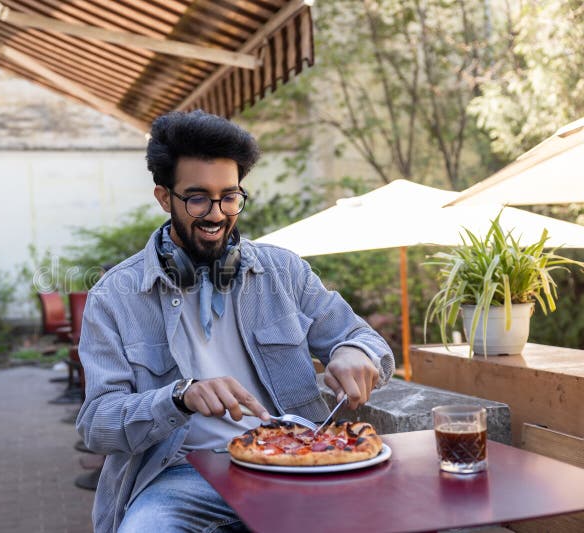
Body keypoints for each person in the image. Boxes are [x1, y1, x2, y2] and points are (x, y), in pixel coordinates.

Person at [76, 110, 394, 533]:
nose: (216, 214)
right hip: (179, 475)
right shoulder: (114, 296)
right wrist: (178, 398)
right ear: (163, 197)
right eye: (197, 198)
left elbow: (364, 340)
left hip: (294, 458)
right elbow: (97, 425)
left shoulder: (286, 272)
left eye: (229, 196)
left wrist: (355, 350)